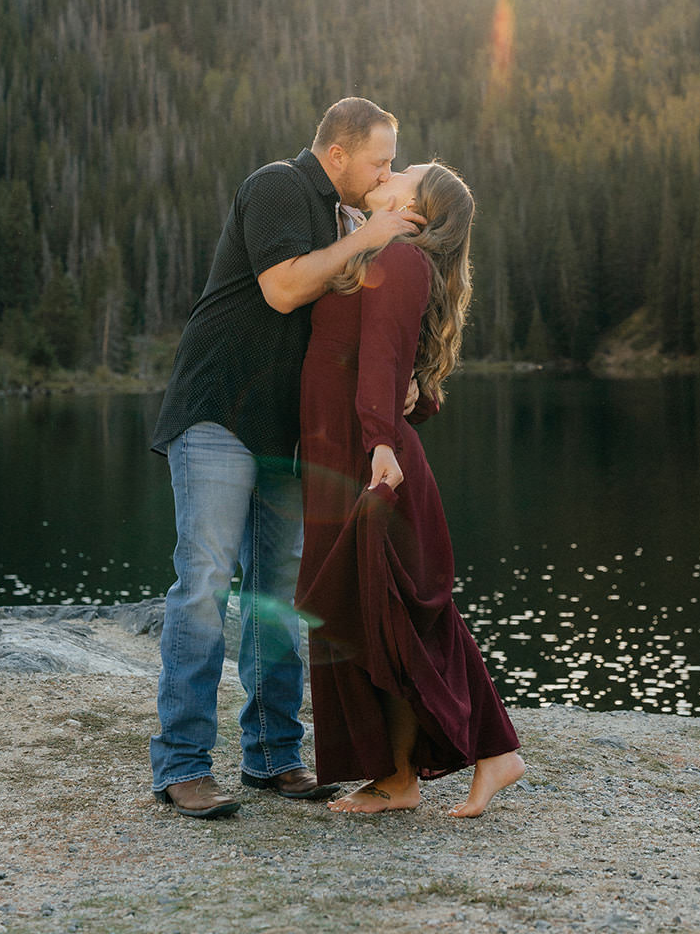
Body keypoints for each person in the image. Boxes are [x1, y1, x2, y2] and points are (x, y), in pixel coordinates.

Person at [148, 97, 424, 819]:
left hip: (288, 435)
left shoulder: (345, 221)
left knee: (277, 595)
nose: (386, 173)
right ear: (336, 155)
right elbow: (282, 289)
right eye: (380, 160)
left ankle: (272, 756)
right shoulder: (276, 184)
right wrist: (373, 236)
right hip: (216, 413)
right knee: (204, 586)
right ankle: (180, 766)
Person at [296, 161, 525, 817]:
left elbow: (379, 362)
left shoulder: (397, 259)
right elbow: (402, 376)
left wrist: (380, 442)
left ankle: (442, 765)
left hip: (369, 463)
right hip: (346, 456)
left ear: (417, 207)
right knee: (376, 614)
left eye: (403, 169)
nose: (388, 168)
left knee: (387, 614)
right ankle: (411, 773)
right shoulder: (382, 253)